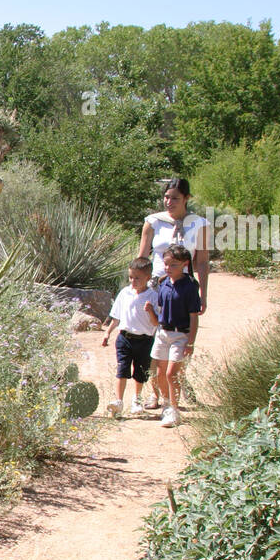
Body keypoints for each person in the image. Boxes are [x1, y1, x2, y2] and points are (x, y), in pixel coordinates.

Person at [138, 178, 210, 409]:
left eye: (175, 198)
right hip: (156, 286)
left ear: (187, 198)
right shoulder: (154, 222)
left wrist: (203, 294)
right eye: (167, 197)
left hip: (182, 288)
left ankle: (176, 384)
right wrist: (137, 290)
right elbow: (142, 258)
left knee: (182, 336)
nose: (169, 202)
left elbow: (202, 262)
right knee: (154, 337)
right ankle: (155, 392)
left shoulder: (199, 225)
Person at [142, 244, 200, 428]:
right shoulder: (164, 283)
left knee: (171, 374)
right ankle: (166, 405)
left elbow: (193, 316)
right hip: (163, 332)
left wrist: (190, 342)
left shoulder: (190, 286)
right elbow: (160, 313)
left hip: (180, 335)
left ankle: (174, 411)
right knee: (160, 373)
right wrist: (151, 312)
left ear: (184, 264)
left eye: (173, 265)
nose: (168, 268)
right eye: (166, 264)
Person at [100, 258, 157, 418]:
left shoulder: (153, 296)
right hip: (124, 338)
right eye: (131, 277)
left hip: (145, 340)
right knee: (122, 369)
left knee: (140, 371)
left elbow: (155, 322)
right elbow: (116, 317)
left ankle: (137, 399)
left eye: (137, 278)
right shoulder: (125, 293)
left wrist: (151, 311)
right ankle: (119, 401)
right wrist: (108, 332)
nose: (133, 281)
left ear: (148, 277)